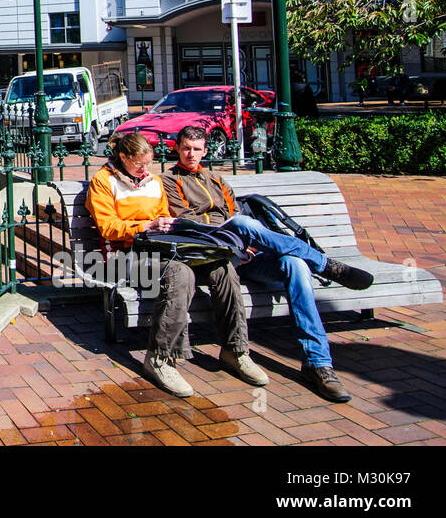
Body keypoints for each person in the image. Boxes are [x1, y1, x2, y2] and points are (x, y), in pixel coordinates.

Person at [162, 125, 373, 403]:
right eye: (186, 148)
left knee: (295, 264)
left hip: (247, 255)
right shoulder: (167, 180)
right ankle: (324, 264)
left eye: (197, 149)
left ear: (205, 151)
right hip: (215, 254)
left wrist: (246, 241)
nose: (191, 154)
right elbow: (186, 220)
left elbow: (234, 211)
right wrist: (238, 235)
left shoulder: (217, 180)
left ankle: (318, 364)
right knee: (244, 223)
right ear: (177, 148)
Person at [87, 131, 266, 398]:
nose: (144, 170)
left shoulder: (153, 181)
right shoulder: (103, 181)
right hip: (125, 255)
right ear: (123, 157)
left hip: (163, 248)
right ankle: (160, 359)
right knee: (180, 274)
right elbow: (107, 227)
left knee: (222, 268)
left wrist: (171, 225)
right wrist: (146, 226)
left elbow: (165, 214)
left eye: (148, 164)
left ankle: (235, 350)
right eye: (139, 164)